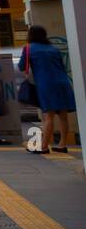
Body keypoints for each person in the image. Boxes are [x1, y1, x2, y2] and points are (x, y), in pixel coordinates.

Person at [19, 26, 76, 154]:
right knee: (63, 116)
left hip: (46, 84)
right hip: (63, 82)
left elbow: (22, 66)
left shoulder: (29, 48)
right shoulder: (53, 49)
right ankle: (62, 145)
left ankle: (43, 146)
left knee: (48, 116)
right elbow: (62, 66)